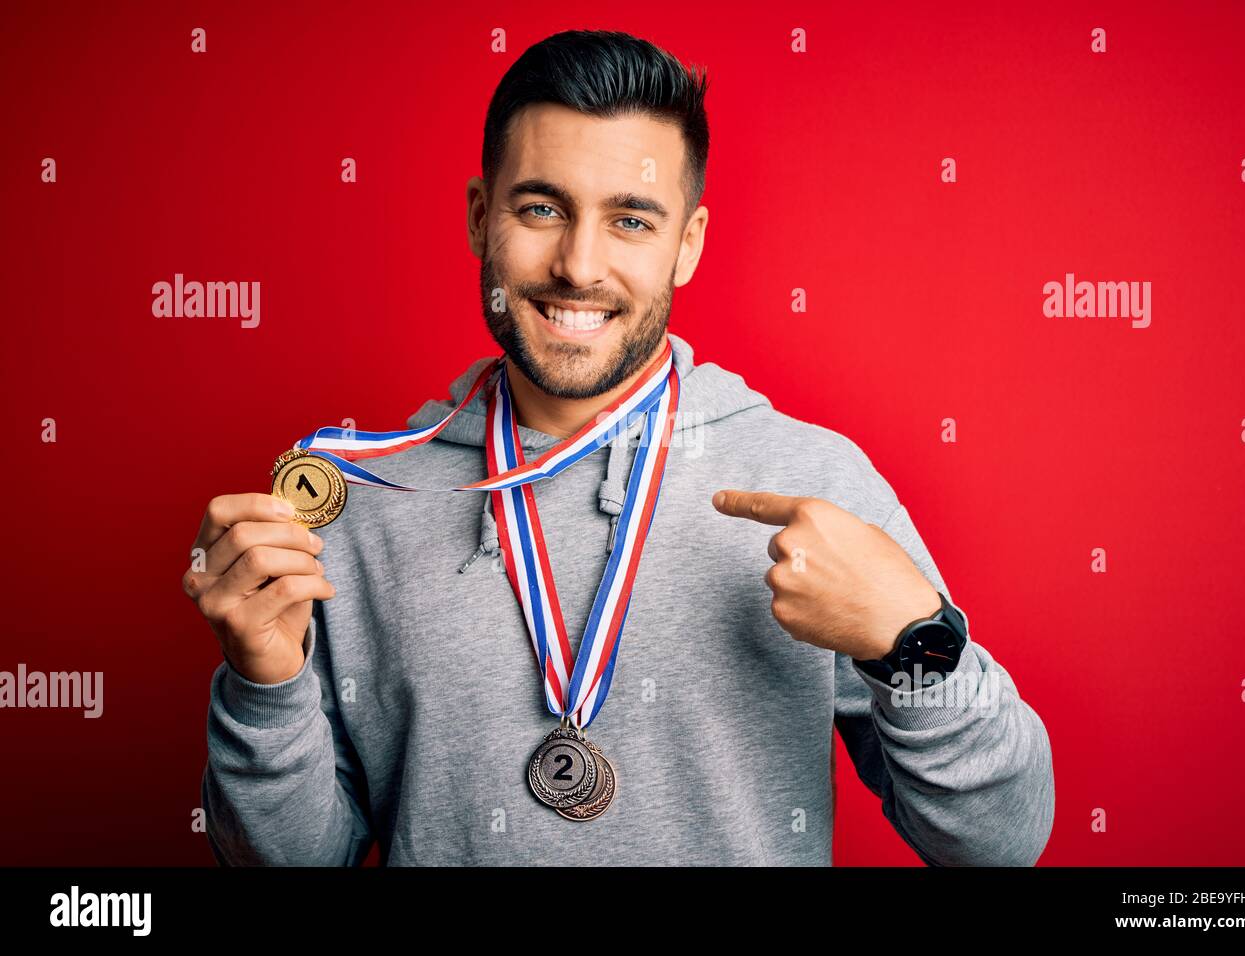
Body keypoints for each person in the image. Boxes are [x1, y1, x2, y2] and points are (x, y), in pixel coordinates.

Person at [185, 29, 1054, 866]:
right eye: (541, 208)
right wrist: (264, 684)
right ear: (481, 219)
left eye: (632, 220)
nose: (579, 264)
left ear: (688, 246)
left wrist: (914, 644)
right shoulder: (362, 499)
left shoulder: (811, 483)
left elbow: (1000, 840)